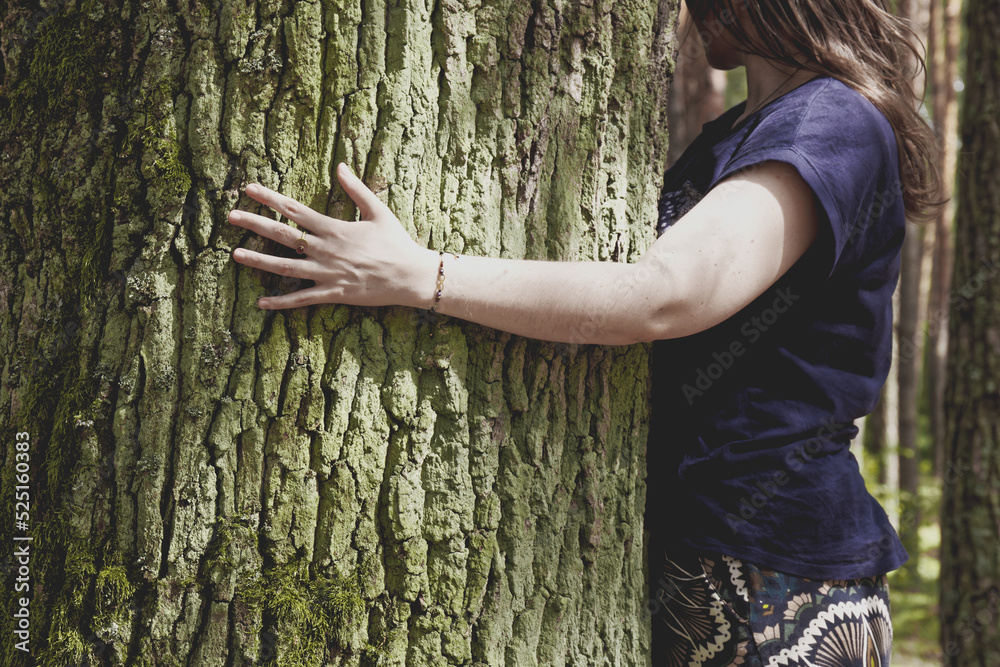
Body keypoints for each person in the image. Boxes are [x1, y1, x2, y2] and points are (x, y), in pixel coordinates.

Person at [228, 0, 942, 661]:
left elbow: (667, 295)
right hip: (718, 557)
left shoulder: (832, 120)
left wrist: (424, 277)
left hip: (775, 569)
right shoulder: (752, 127)